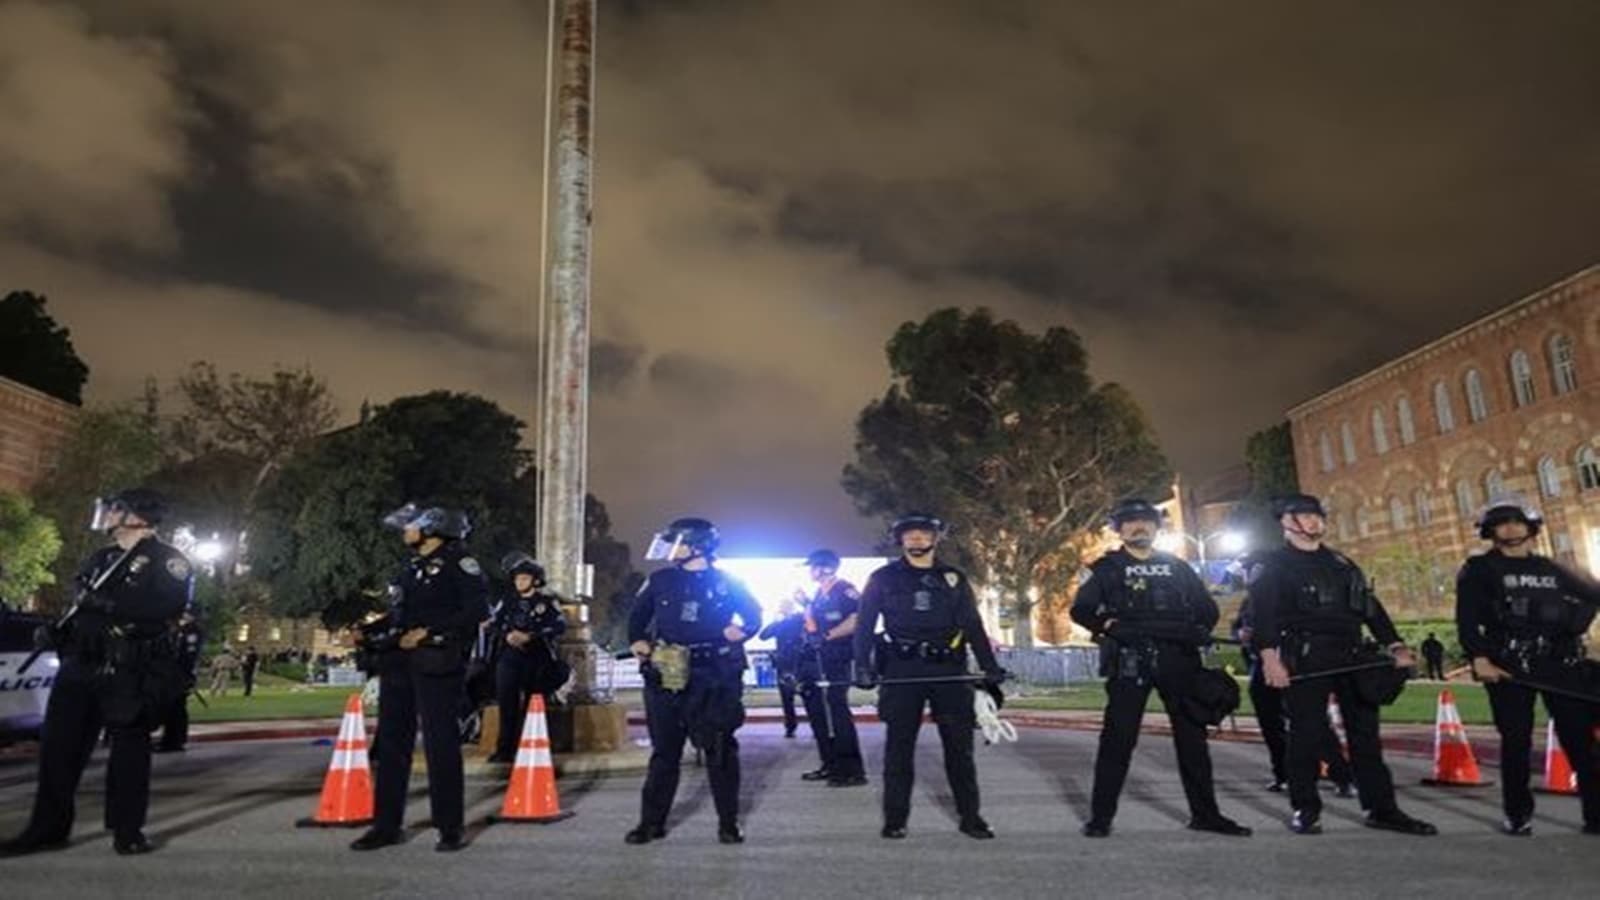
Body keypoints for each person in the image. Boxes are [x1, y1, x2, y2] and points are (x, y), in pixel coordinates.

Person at [0, 488, 192, 857]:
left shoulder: (167, 560)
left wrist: (107, 603)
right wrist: (57, 631)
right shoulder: (101, 558)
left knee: (128, 752)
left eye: (115, 510)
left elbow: (164, 606)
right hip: (81, 665)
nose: (107, 516)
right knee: (59, 749)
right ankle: (47, 828)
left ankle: (127, 830)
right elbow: (81, 606)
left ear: (137, 516)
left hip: (128, 667)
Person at [1249, 493, 1435, 836]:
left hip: (1352, 655)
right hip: (1305, 657)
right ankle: (1306, 808)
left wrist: (1394, 644)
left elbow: (1370, 607)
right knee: (1304, 736)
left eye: (1317, 515)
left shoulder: (1342, 563)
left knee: (1366, 738)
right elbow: (1265, 617)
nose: (1314, 521)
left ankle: (1382, 808)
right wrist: (1270, 659)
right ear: (1286, 524)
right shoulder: (1273, 565)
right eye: (1305, 516)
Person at [1071, 499, 1251, 838]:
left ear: (1157, 527)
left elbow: (1206, 610)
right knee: (1118, 741)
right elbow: (1081, 610)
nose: (1140, 527)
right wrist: (1109, 625)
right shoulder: (1106, 569)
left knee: (1193, 741)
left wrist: (1193, 631)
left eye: (1146, 522)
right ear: (1119, 529)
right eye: (1131, 522)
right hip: (1131, 659)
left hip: (1179, 658)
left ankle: (1206, 814)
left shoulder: (1178, 567)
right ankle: (1101, 817)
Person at [853, 513, 1007, 840]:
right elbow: (864, 625)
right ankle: (895, 819)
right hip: (902, 668)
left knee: (959, 749)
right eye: (911, 535)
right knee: (899, 748)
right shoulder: (882, 578)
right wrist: (861, 666)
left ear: (935, 539)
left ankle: (971, 817)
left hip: (948, 669)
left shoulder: (953, 578)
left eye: (924, 534)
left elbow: (972, 625)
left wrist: (989, 665)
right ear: (901, 540)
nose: (918, 540)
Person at [1455, 498, 1600, 836]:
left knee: (1580, 741)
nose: (1510, 528)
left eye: (1517, 521)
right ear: (1490, 531)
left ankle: (1596, 815)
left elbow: (1594, 594)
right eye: (1502, 522)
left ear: (1531, 527)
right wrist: (1479, 658)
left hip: (1558, 662)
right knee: (1516, 741)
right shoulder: (1480, 569)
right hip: (1508, 664)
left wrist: (1576, 621)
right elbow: (1467, 619)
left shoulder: (1553, 568)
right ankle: (1518, 813)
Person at [349, 504, 489, 853]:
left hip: (436, 662)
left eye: (410, 526)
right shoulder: (411, 569)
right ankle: (386, 825)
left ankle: (449, 826)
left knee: (441, 744)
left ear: (432, 530)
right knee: (392, 745)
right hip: (399, 662)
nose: (405, 532)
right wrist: (368, 631)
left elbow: (475, 611)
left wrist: (429, 632)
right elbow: (400, 615)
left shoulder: (461, 564)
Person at [625, 517, 762, 845]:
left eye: (679, 543)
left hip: (714, 674)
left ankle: (728, 822)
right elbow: (637, 619)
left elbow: (754, 616)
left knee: (720, 750)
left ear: (698, 546)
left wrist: (740, 632)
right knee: (664, 752)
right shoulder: (659, 580)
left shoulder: (728, 582)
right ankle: (651, 822)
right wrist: (638, 642)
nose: (672, 550)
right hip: (667, 674)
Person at [1230, 559, 1354, 797]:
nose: (1248, 577)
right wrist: (1242, 634)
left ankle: (1342, 775)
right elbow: (1238, 626)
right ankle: (1283, 774)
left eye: (1252, 571)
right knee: (1270, 724)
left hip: (1292, 664)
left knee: (1312, 722)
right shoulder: (1250, 602)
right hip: (1262, 666)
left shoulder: (1288, 596)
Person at [486, 552, 569, 763]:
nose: (519, 582)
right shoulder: (507, 601)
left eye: (524, 578)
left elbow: (559, 626)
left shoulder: (546, 601)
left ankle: (532, 746)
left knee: (533, 705)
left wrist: (531, 635)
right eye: (517, 578)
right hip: (509, 657)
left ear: (534, 580)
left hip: (537, 658)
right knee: (507, 703)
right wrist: (507, 635)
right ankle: (504, 750)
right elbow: (494, 624)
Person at [795, 549, 866, 787]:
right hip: (818, 658)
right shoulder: (818, 594)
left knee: (836, 711)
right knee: (819, 713)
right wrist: (805, 606)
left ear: (825, 568)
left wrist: (828, 635)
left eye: (813, 567)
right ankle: (830, 763)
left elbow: (858, 619)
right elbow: (813, 625)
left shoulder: (844, 589)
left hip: (837, 657)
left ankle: (851, 770)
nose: (810, 572)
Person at [155, 610, 204, 753]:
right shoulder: (182, 630)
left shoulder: (191, 631)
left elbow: (188, 654)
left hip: (180, 674)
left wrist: (184, 675)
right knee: (173, 708)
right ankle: (171, 739)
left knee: (176, 708)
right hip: (176, 674)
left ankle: (174, 741)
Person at [758, 600, 804, 738]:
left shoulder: (799, 618)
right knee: (786, 698)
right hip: (784, 663)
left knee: (808, 696)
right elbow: (763, 636)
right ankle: (790, 726)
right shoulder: (779, 624)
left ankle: (816, 725)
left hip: (799, 662)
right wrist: (775, 620)